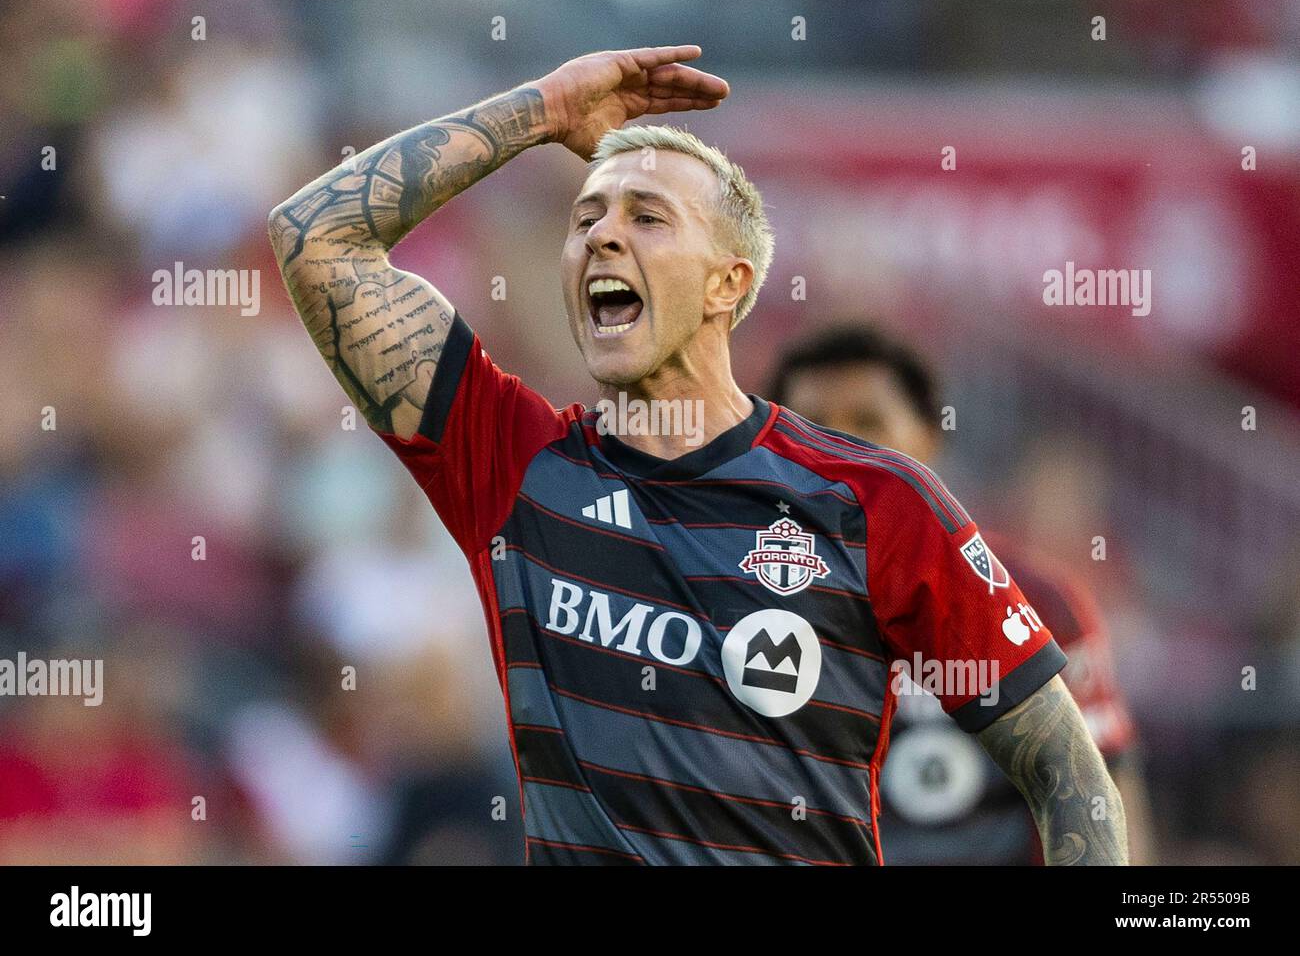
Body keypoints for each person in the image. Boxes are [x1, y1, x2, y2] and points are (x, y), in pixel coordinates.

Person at [268, 46, 1127, 865]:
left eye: (647, 217)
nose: (604, 237)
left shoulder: (873, 500)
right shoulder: (513, 464)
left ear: (729, 283)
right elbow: (316, 236)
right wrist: (545, 110)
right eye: (586, 219)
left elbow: (1068, 770)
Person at [770, 323, 1155, 864]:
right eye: (812, 427)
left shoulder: (1039, 602)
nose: (839, 449)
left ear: (929, 436)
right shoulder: (737, 595)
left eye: (868, 422)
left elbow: (1104, 790)